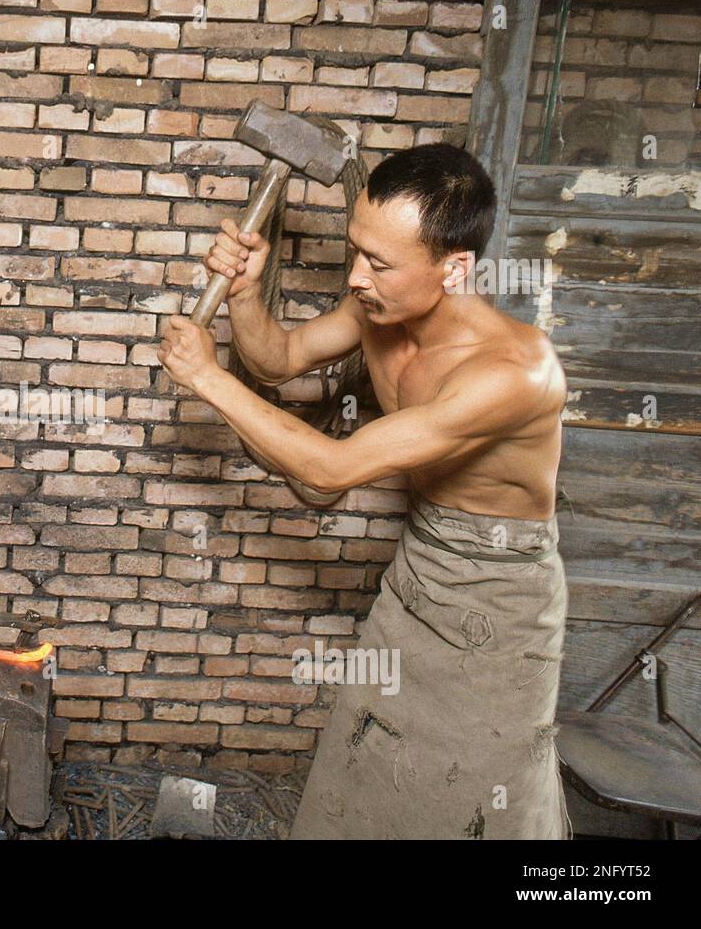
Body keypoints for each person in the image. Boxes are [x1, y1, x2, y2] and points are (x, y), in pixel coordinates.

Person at [159, 143, 571, 839]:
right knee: (368, 761)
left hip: (501, 604)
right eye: (357, 251)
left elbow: (331, 469)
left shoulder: (514, 373)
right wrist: (243, 294)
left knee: (475, 794)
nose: (356, 277)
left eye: (379, 264)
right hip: (418, 573)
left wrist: (205, 378)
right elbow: (279, 360)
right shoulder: (379, 313)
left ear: (455, 267)